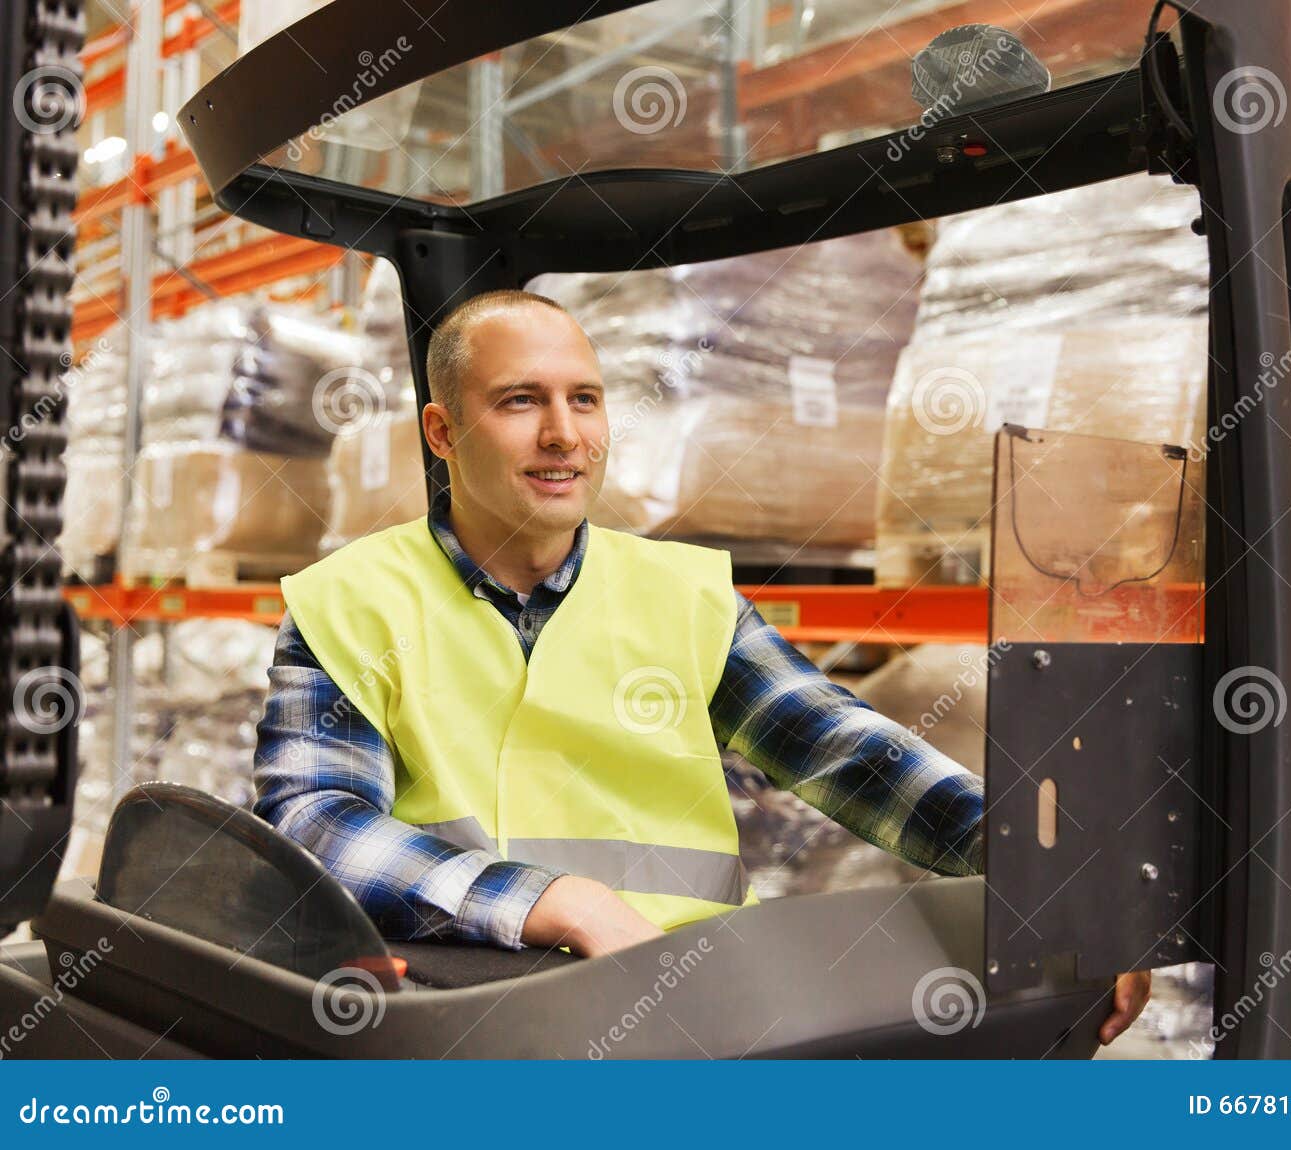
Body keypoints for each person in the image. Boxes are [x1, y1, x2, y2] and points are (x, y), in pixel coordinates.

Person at [253, 289, 1150, 1044]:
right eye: (521, 401)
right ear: (443, 432)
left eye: (587, 400)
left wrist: (1058, 881)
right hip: (464, 1019)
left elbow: (851, 751)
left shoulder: (682, 593)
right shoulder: (350, 601)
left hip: (694, 1017)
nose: (565, 435)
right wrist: (556, 902)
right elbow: (313, 822)